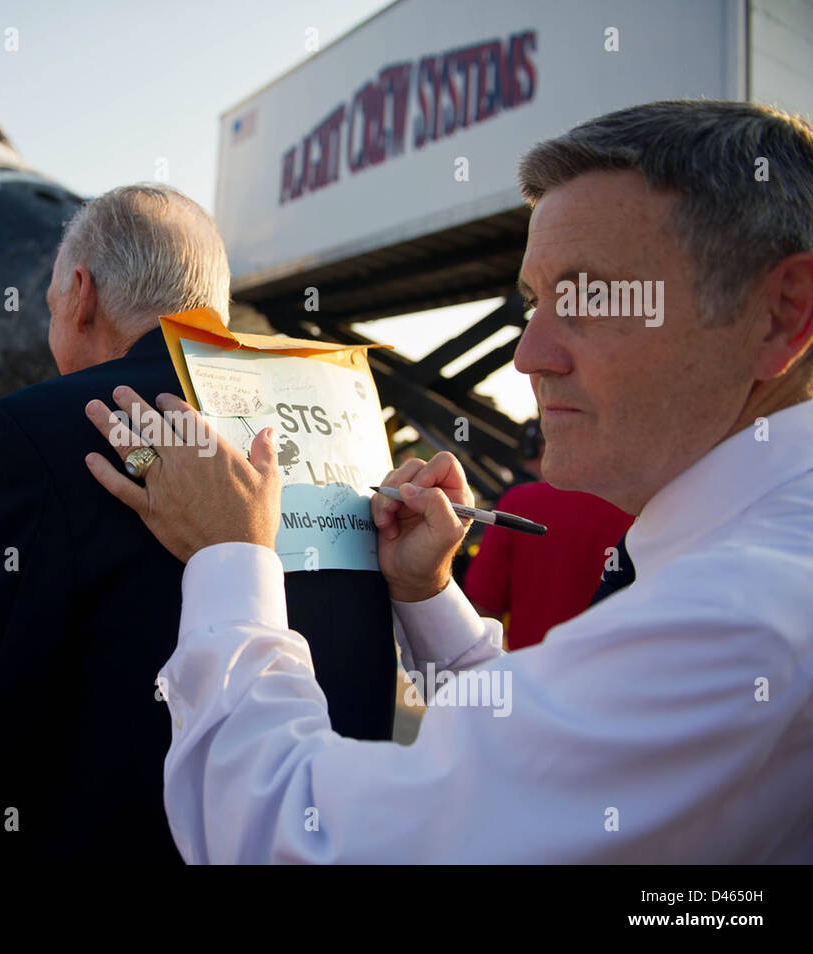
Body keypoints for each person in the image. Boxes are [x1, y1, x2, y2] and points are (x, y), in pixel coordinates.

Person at [83, 100, 813, 862]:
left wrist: (231, 555)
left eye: (590, 299)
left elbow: (299, 832)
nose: (529, 356)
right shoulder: (751, 565)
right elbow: (540, 751)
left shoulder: (741, 620)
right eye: (535, 304)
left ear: (778, 313)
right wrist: (428, 593)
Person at [0, 184, 396, 863]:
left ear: (80, 294)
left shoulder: (36, 431)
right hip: (322, 830)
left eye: (52, 306)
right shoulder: (338, 414)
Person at [462, 419, 633, 649]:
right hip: (620, 669)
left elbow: (484, 608)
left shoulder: (518, 503)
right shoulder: (637, 504)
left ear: (543, 448)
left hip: (535, 671)